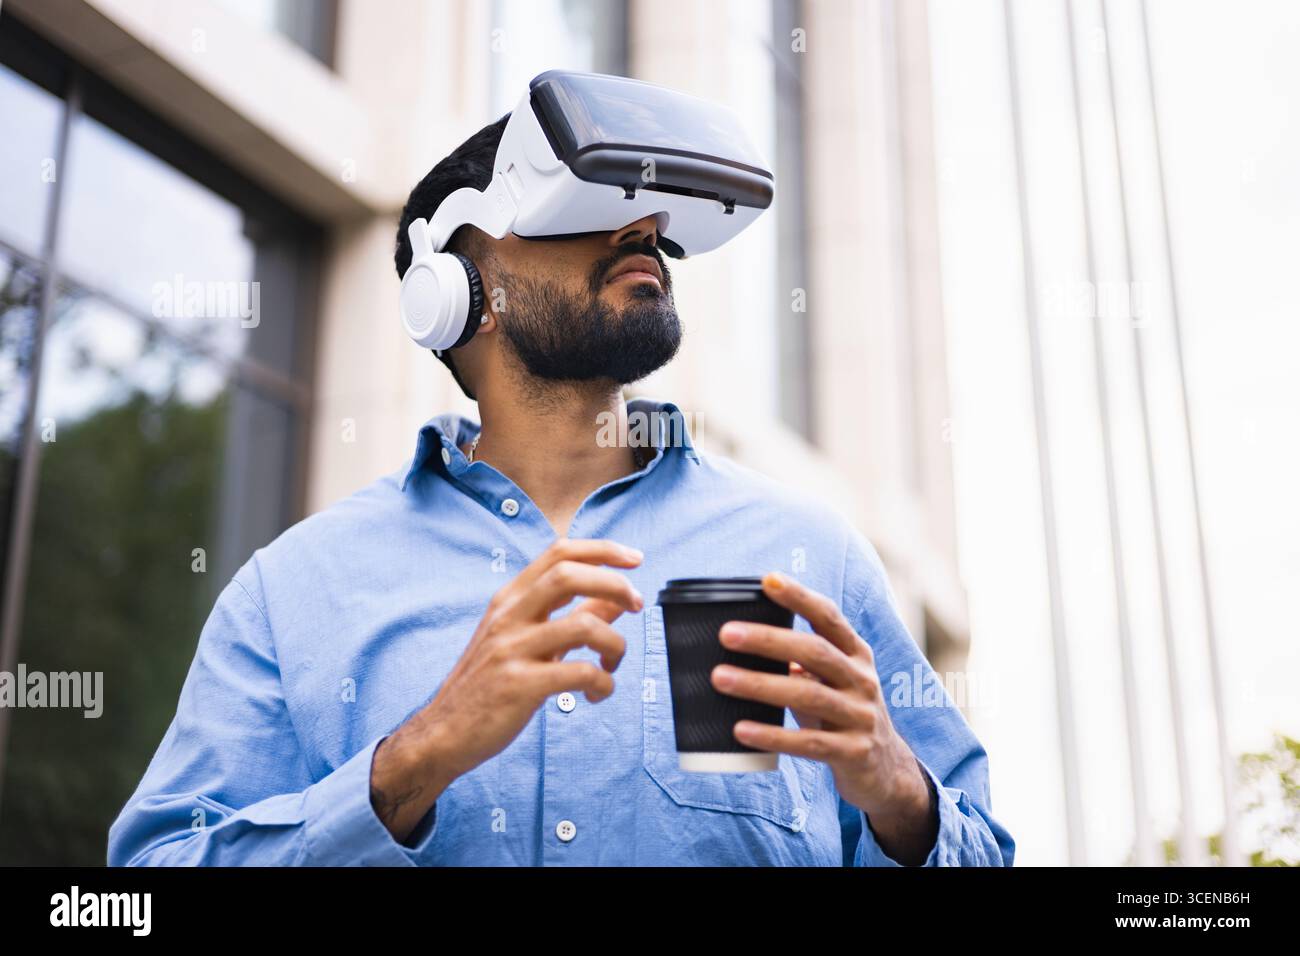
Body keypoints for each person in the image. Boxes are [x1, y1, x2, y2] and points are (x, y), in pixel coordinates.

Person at [107, 114, 1015, 867]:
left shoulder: (809, 557)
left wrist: (903, 798)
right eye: (580, 202)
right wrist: (410, 763)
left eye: (650, 213)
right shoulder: (292, 592)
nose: (640, 230)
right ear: (457, 287)